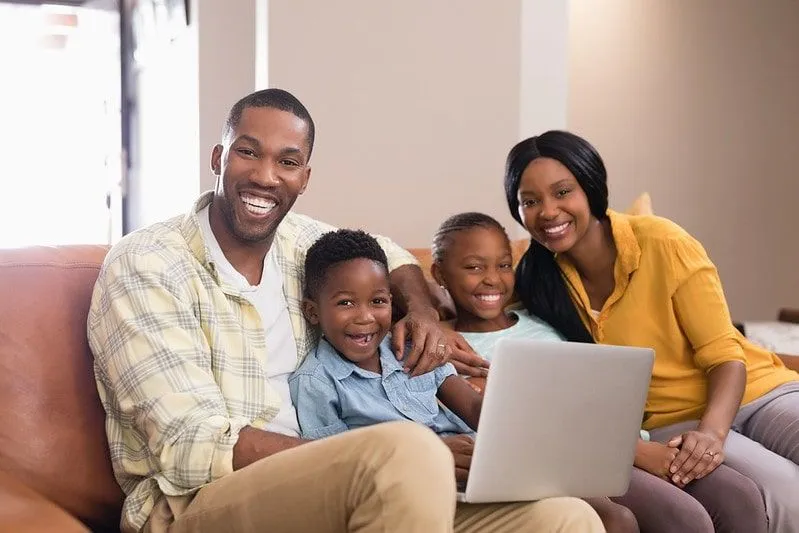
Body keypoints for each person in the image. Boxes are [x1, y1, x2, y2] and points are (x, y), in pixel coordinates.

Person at [87, 88, 602, 533]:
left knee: (566, 517)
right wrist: (381, 458)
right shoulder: (147, 264)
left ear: (305, 176)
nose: (266, 176)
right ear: (218, 158)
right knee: (409, 450)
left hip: (346, 483)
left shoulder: (298, 241)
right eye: (249, 153)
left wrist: (421, 312)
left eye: (287, 161)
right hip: (202, 502)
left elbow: (393, 257)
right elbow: (188, 443)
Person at [503, 130, 797, 532]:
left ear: (590, 187)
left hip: (756, 390)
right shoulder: (536, 280)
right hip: (673, 419)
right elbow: (480, 306)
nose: (549, 212)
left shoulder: (661, 241)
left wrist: (712, 434)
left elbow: (725, 354)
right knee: (787, 496)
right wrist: (431, 315)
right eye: (530, 202)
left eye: (562, 192)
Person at [430, 211, 765, 533]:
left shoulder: (542, 324)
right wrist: (640, 453)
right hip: (566, 457)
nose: (492, 278)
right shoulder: (439, 345)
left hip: (620, 441)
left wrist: (635, 446)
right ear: (439, 274)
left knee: (741, 497)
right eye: (474, 267)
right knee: (684, 519)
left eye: (504, 265)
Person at [289, 228, 605, 532]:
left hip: (481, 469)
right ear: (313, 312)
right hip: (413, 493)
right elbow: (337, 472)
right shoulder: (316, 382)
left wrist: (519, 407)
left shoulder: (412, 346)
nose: (365, 317)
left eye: (378, 301)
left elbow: (472, 406)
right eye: (346, 302)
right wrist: (434, 456)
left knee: (596, 512)